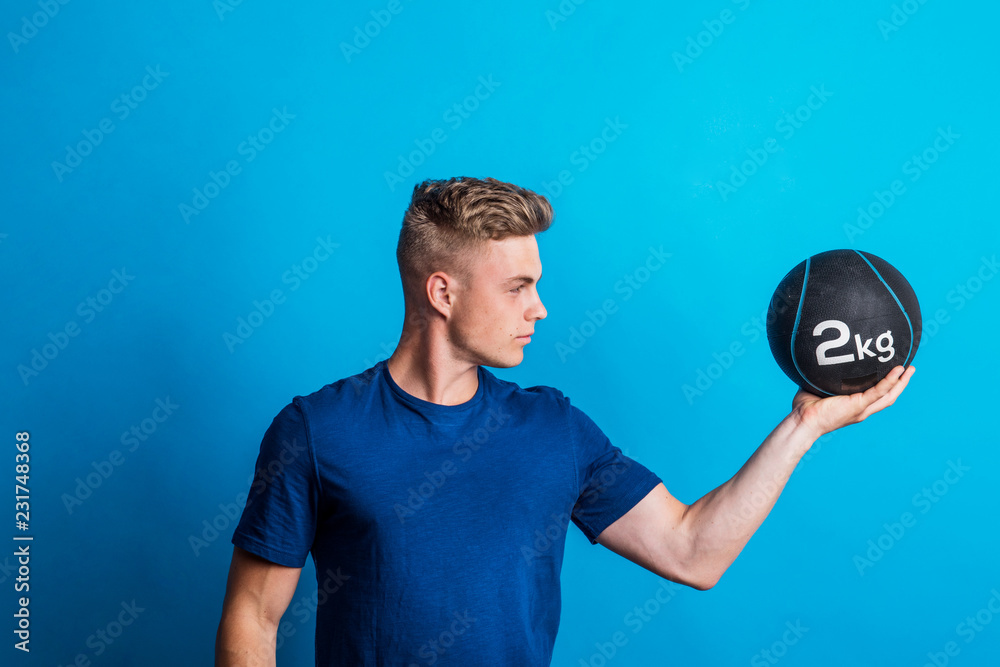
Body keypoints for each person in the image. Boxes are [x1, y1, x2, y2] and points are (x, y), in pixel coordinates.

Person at [214, 176, 915, 666]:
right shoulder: (317, 430)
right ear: (442, 291)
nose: (540, 307)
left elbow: (693, 551)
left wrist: (804, 427)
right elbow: (253, 613)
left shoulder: (552, 429)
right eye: (519, 287)